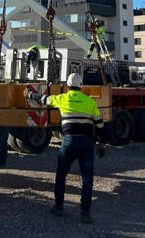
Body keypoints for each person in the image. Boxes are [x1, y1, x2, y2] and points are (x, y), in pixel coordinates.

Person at [26, 72, 105, 224]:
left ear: (68, 86)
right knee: (87, 178)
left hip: (69, 142)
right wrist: (102, 142)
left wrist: (30, 95)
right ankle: (85, 213)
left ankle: (59, 207)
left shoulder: (62, 98)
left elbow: (44, 99)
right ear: (81, 86)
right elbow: (100, 125)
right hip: (87, 143)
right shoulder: (90, 102)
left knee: (61, 175)